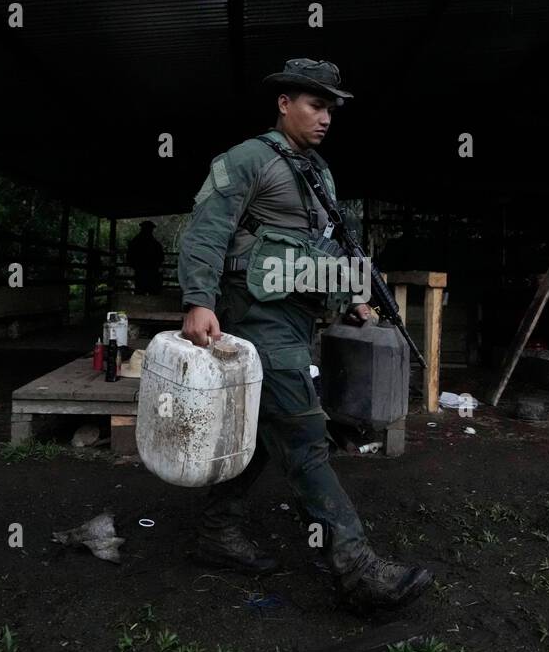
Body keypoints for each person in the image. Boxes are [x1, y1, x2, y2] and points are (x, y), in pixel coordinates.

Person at [177, 58, 433, 613]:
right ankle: (357, 567)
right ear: (284, 103)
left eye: (331, 109)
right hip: (254, 318)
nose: (326, 117)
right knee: (303, 433)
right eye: (316, 105)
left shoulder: (318, 172)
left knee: (267, 430)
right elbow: (206, 230)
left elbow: (326, 248)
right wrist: (198, 301)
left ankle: (216, 532)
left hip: (296, 317)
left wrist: (354, 294)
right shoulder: (248, 159)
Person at [126, 220, 164, 295]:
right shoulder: (154, 243)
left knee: (142, 291)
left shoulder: (136, 241)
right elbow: (161, 257)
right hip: (147, 270)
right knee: (148, 292)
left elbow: (129, 256)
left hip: (143, 270)